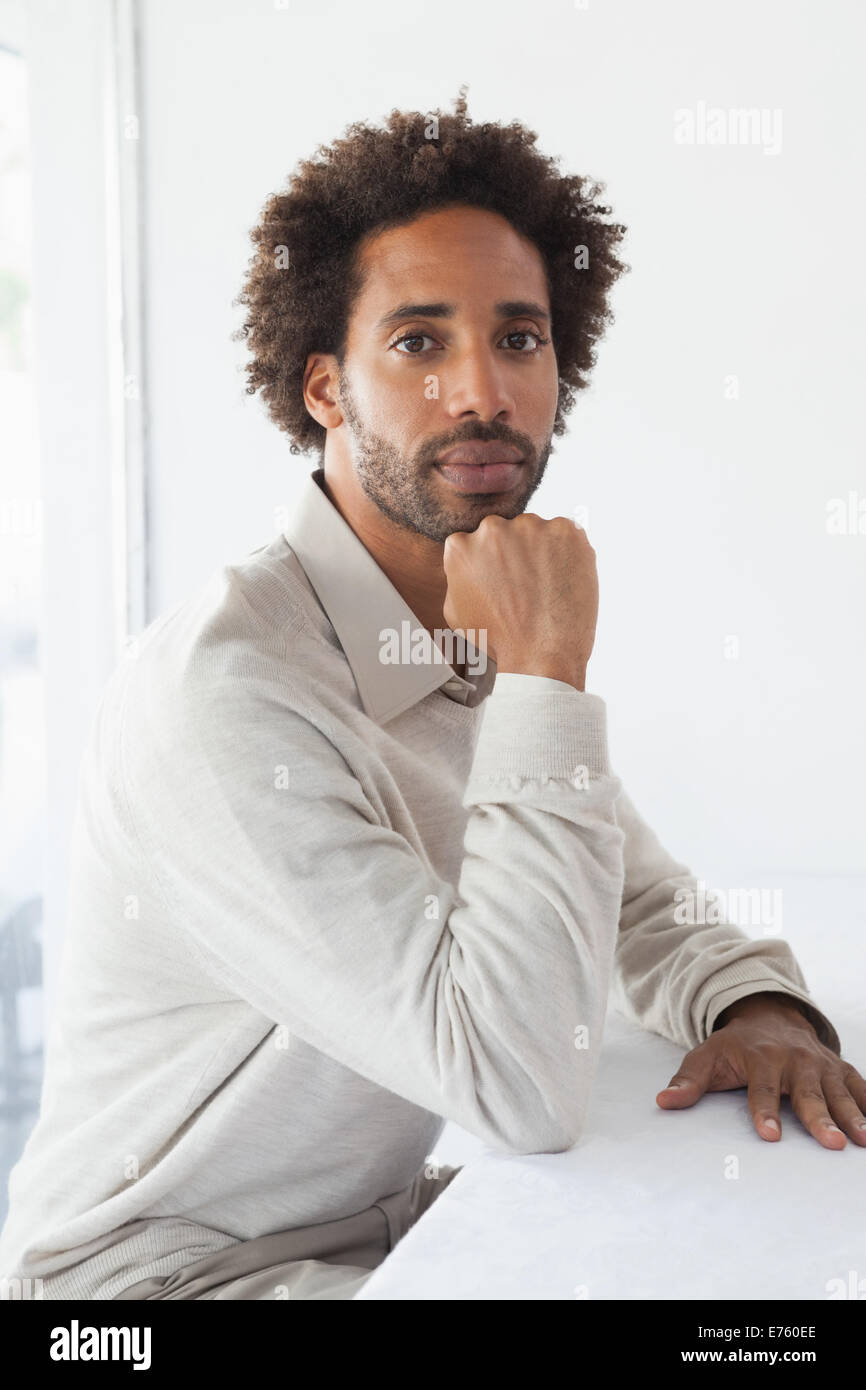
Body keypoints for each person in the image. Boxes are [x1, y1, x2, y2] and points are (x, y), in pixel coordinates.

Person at [1, 91, 862, 1304]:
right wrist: (547, 676)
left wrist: (761, 1005)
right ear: (320, 388)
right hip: (150, 1287)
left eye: (519, 338)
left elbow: (639, 900)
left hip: (383, 1232)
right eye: (417, 343)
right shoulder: (228, 694)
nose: (483, 393)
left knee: (770, 1282)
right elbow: (515, 1081)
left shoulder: (453, 632)